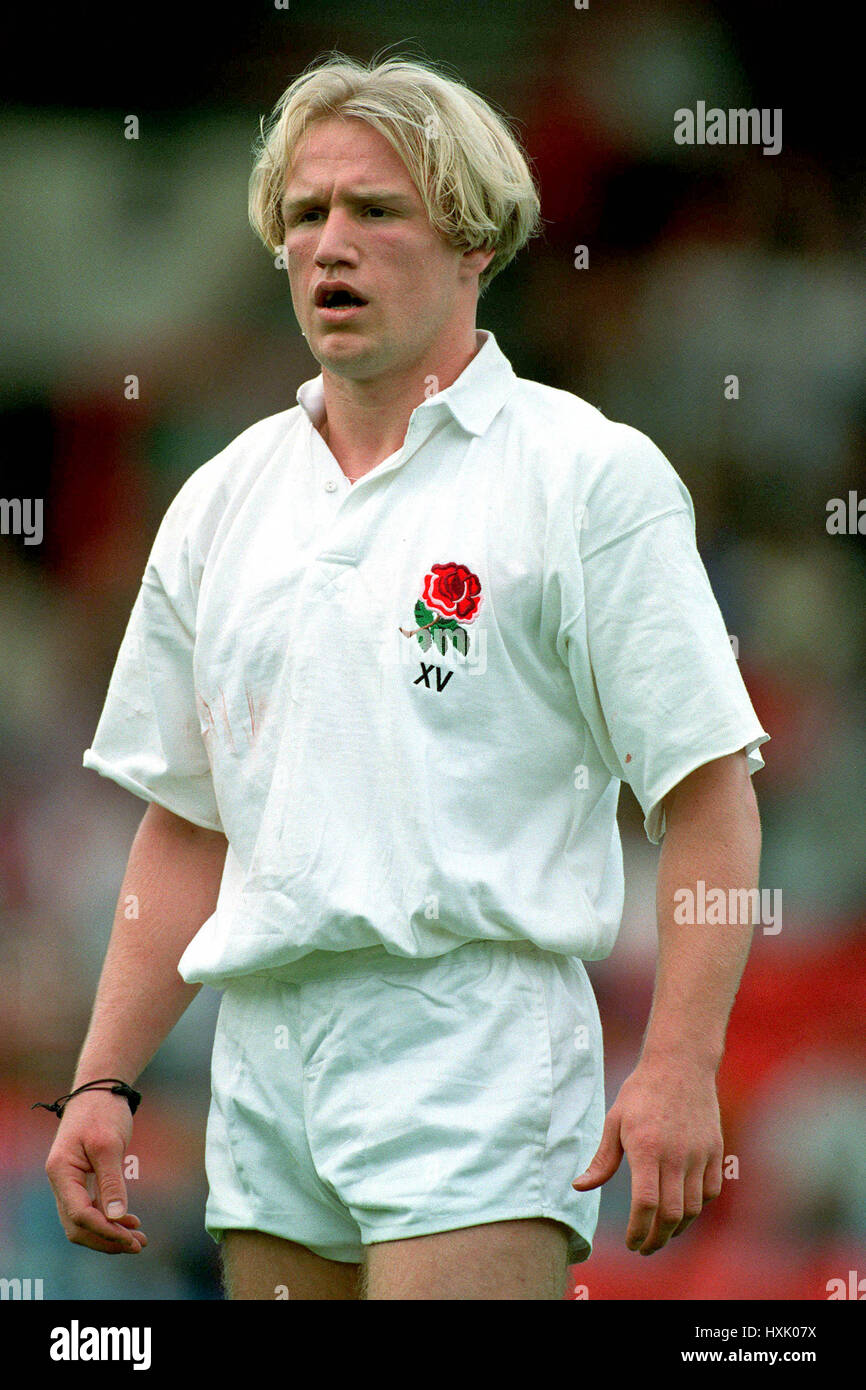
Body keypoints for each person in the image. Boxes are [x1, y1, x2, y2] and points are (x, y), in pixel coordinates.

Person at [44, 51, 769, 1301]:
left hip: (475, 1050)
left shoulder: (586, 474)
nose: (331, 243)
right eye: (306, 213)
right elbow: (187, 821)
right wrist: (106, 1075)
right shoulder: (219, 498)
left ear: (474, 240)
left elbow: (706, 793)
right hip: (264, 1056)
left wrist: (678, 1062)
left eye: (376, 210)